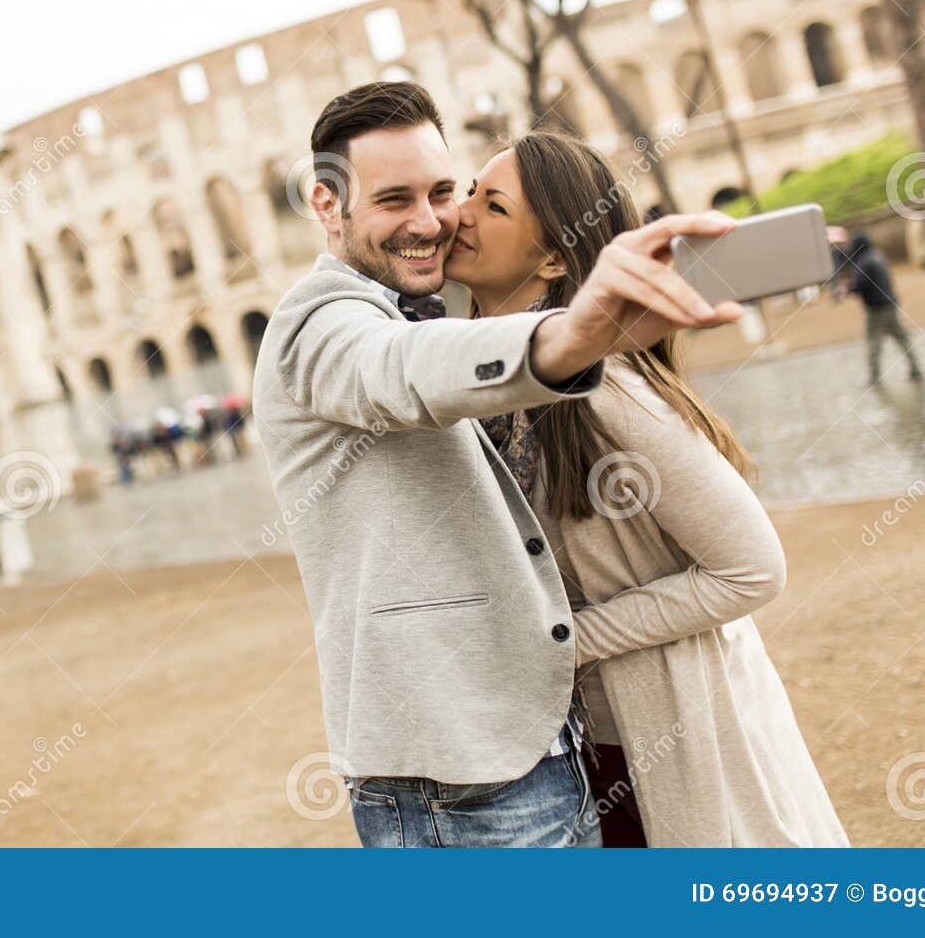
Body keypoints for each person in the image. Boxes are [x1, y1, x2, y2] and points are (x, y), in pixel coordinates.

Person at [251, 82, 742, 848]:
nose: (429, 222)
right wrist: (565, 335)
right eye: (392, 200)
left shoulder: (428, 309)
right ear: (326, 204)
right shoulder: (318, 327)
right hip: (457, 785)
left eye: (444, 191)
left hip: (533, 756)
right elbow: (402, 370)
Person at [443, 127, 849, 847]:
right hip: (584, 747)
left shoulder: (608, 394)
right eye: (469, 189)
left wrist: (569, 640)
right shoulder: (484, 385)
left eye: (493, 204)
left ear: (552, 258)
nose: (461, 211)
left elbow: (754, 569)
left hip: (666, 737)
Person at [840, 230, 923, 385]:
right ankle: (916, 369)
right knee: (902, 338)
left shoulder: (864, 262)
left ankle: (874, 376)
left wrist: (847, 289)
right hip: (890, 304)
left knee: (874, 342)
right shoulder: (879, 256)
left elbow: (860, 285)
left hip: (876, 308)